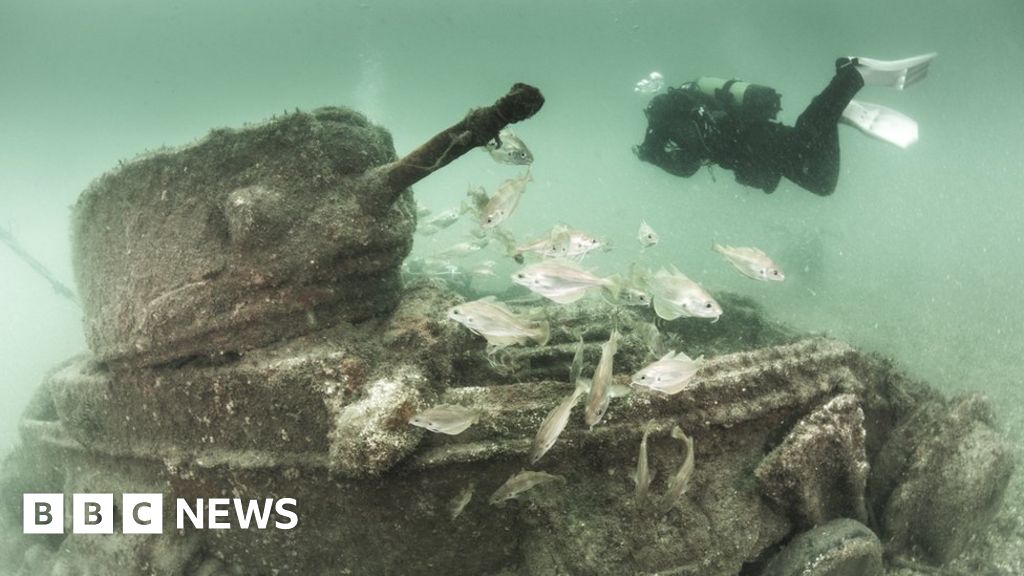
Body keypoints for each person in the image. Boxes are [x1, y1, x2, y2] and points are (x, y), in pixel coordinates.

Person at [634, 54, 936, 196]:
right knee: (823, 185)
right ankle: (835, 110)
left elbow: (686, 166)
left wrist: (650, 154)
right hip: (754, 152)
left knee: (808, 134)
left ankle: (849, 75)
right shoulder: (680, 113)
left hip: (754, 142)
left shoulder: (664, 121)